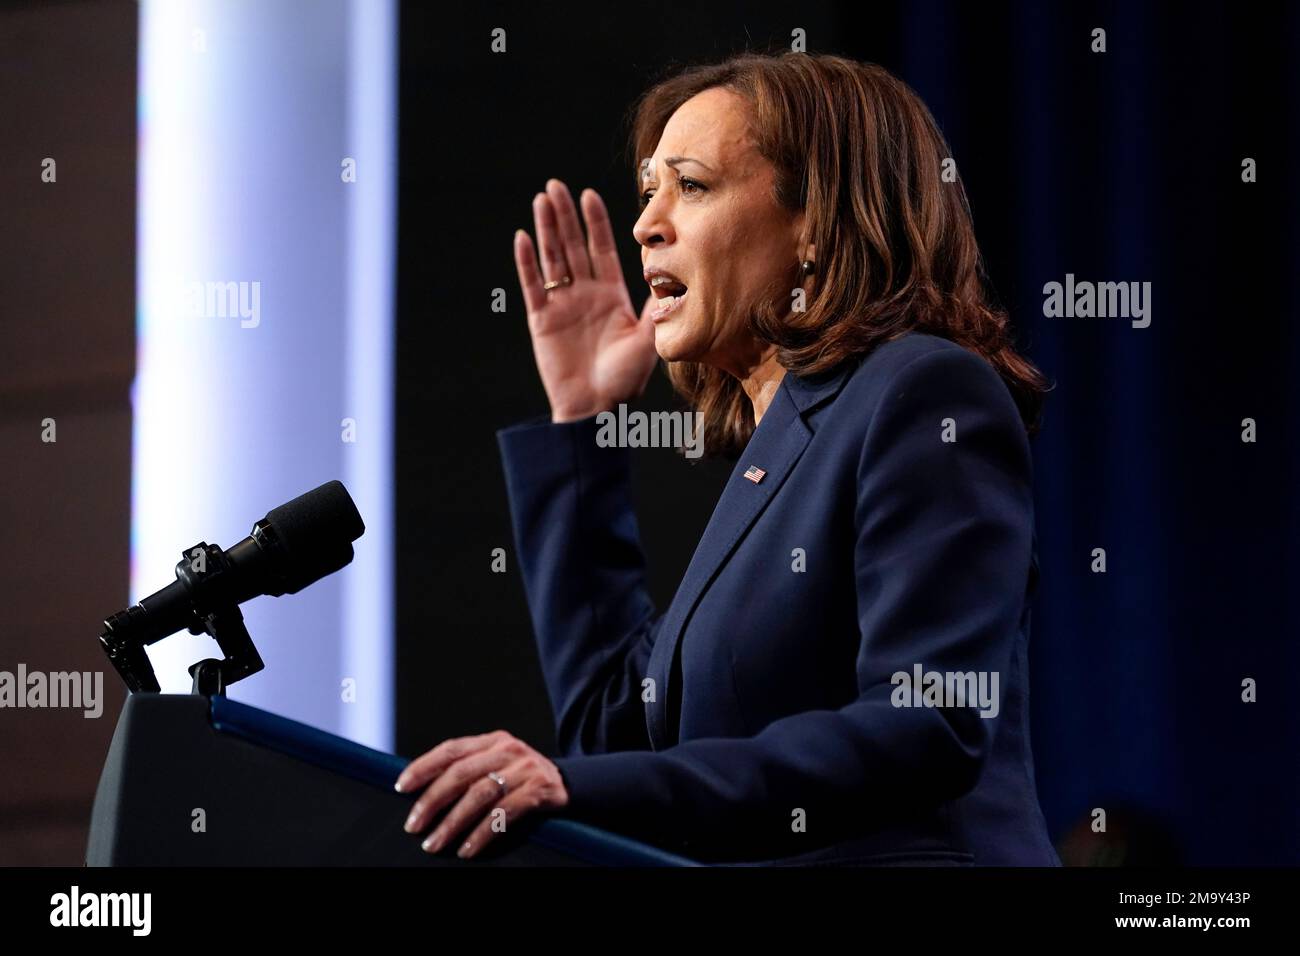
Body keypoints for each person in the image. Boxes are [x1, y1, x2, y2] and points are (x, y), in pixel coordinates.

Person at [394, 52, 1060, 866]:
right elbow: (614, 728)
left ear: (815, 221)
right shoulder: (777, 454)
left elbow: (927, 723)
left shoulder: (924, 392)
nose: (648, 224)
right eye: (649, 193)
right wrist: (584, 423)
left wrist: (583, 788)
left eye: (692, 186)